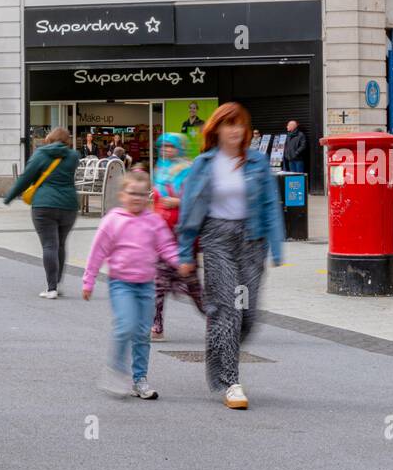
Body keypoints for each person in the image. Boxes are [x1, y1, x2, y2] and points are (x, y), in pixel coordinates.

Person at [177, 102, 284, 410]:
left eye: (240, 124)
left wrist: (277, 247)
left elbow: (270, 205)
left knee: (248, 315)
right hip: (217, 240)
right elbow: (189, 210)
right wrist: (186, 251)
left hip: (252, 241)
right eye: (229, 124)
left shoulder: (257, 162)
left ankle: (218, 347)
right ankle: (230, 382)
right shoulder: (205, 163)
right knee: (229, 311)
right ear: (217, 129)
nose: (235, 130)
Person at [82, 169, 180, 400]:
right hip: (121, 284)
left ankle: (140, 380)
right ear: (122, 195)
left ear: (148, 196)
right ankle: (115, 370)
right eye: (131, 193)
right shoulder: (113, 220)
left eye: (141, 194)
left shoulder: (154, 221)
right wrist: (89, 281)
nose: (136, 198)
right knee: (125, 326)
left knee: (141, 334)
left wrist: (180, 262)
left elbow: (165, 247)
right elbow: (97, 253)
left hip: (146, 285)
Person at [3, 126, 79, 298]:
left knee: (49, 245)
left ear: (49, 138)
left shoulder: (40, 154)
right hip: (69, 205)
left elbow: (26, 178)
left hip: (44, 205)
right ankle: (57, 284)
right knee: (60, 244)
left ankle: (51, 288)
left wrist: (9, 197)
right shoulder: (73, 156)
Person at [150, 133, 204, 340]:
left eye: (170, 147)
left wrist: (178, 202)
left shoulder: (188, 170)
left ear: (180, 148)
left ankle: (216, 319)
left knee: (193, 287)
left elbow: (198, 200)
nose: (165, 150)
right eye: (162, 146)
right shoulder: (159, 169)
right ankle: (157, 323)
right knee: (157, 283)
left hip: (183, 236)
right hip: (160, 236)